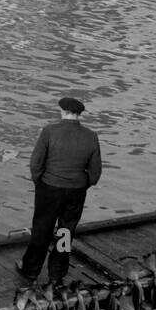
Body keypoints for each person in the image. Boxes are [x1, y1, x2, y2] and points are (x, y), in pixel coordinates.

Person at [18, 96, 102, 284]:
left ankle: (31, 269)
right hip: (76, 191)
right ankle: (57, 273)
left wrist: (39, 182)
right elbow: (95, 172)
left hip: (49, 188)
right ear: (79, 114)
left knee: (42, 229)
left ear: (62, 111)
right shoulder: (91, 136)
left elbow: (36, 162)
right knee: (66, 231)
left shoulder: (49, 131)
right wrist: (83, 184)